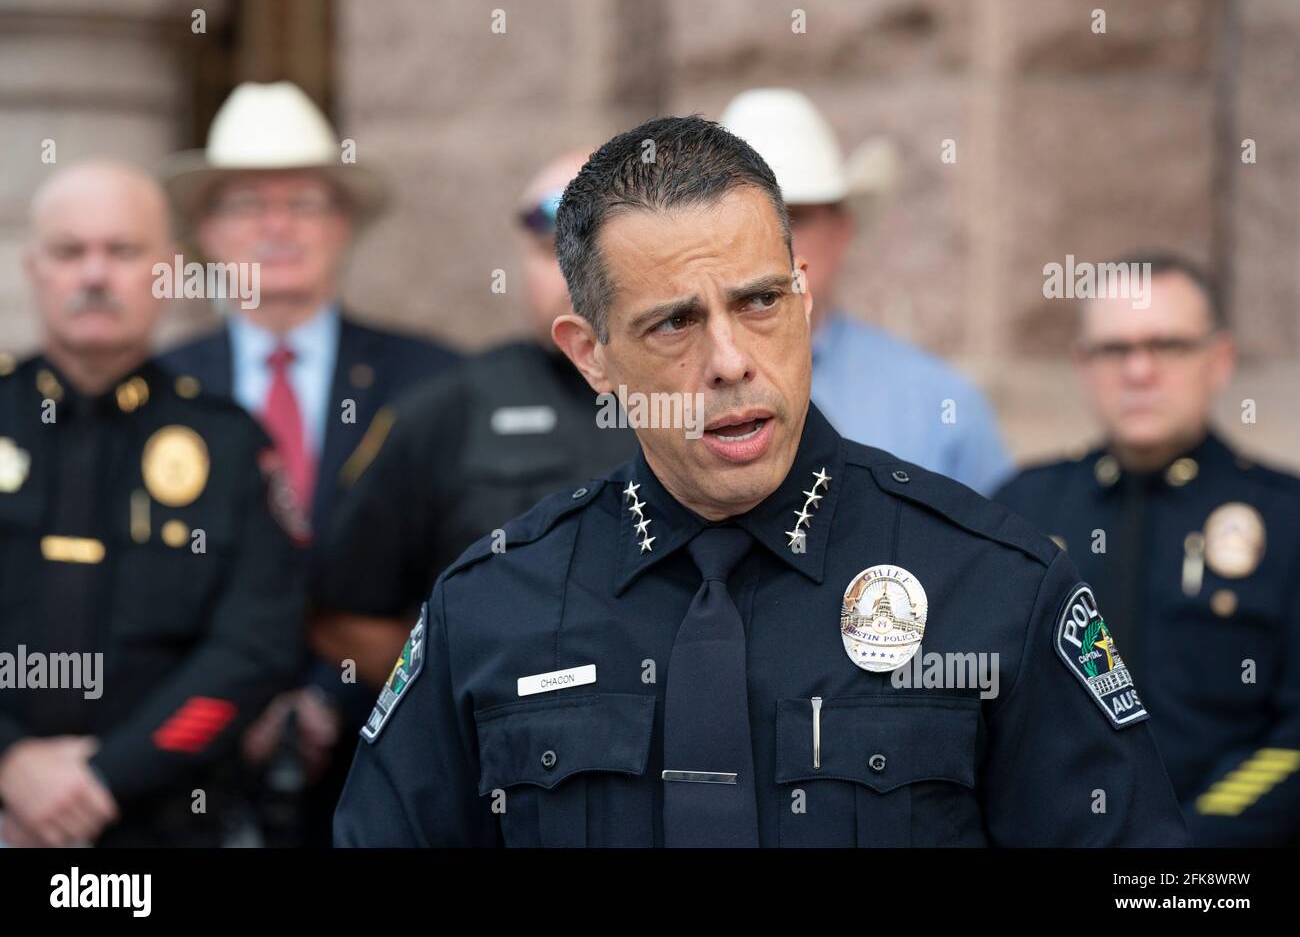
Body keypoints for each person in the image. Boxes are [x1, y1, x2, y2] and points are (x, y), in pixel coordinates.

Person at [334, 116, 1187, 847]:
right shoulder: (493, 606)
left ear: (806, 299)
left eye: (760, 303)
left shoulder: (997, 585)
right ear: (590, 354)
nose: (731, 361)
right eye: (674, 322)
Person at [158, 81, 459, 844]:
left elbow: (456, 577)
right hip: (187, 785)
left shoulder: (433, 381)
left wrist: (329, 695)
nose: (277, 227)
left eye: (305, 202)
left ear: (345, 223)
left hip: (391, 766)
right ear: (204, 230)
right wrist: (236, 702)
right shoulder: (158, 391)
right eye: (246, 204)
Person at [0, 161, 303, 847]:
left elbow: (256, 645)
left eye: (123, 250)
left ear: (166, 271)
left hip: (166, 821)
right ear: (34, 268)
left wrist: (106, 778)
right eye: (70, 251)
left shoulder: (228, 441)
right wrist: (11, 763)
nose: (95, 275)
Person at [994, 254, 1300, 846]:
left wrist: (1183, 843)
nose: (1138, 371)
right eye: (1114, 350)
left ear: (1219, 359)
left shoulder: (1286, 520)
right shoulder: (1023, 510)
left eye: (1167, 346)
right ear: (1083, 364)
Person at [312, 150, 637, 689]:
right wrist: (462, 703)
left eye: (602, 247)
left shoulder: (708, 397)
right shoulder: (447, 409)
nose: (573, 271)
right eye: (548, 248)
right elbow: (344, 614)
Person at [721, 88, 1011, 495]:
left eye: (796, 217)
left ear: (842, 228)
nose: (776, 243)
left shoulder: (939, 403)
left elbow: (993, 552)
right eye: (750, 222)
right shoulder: (662, 396)